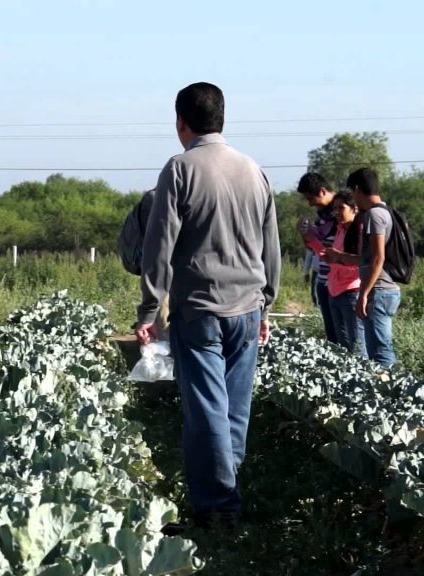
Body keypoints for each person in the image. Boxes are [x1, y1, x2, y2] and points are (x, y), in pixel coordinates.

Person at [134, 82, 280, 531]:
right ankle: (226, 497)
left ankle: (218, 509)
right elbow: (270, 244)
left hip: (200, 308)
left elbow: (159, 246)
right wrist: (267, 304)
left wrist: (149, 308)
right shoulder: (252, 169)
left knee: (206, 410)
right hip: (248, 307)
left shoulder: (179, 169)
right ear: (222, 119)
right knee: (234, 408)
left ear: (181, 123)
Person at [335, 168, 400, 368]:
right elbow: (367, 258)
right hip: (383, 290)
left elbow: (378, 258)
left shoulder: (374, 215)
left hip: (379, 291)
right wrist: (341, 257)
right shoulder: (386, 211)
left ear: (357, 189)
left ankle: (388, 391)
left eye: (353, 193)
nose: (354, 199)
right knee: (377, 350)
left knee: (381, 353)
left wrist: (363, 294)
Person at [117, 188, 170, 339]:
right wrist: (149, 315)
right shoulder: (161, 199)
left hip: (167, 280)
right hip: (167, 281)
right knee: (165, 338)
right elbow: (156, 253)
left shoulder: (161, 195)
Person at [321, 192, 368, 359]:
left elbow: (362, 264)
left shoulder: (360, 231)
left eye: (341, 208)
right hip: (335, 291)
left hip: (351, 292)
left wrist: (337, 259)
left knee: (357, 346)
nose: (337, 212)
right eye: (335, 209)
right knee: (342, 347)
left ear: (354, 209)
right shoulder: (340, 229)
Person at [295, 172, 338, 345]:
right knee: (331, 335)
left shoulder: (342, 211)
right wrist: (305, 235)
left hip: (339, 283)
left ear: (322, 191)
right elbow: (313, 248)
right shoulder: (323, 214)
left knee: (344, 336)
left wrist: (313, 239)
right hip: (322, 278)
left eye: (310, 198)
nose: (309, 203)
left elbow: (333, 249)